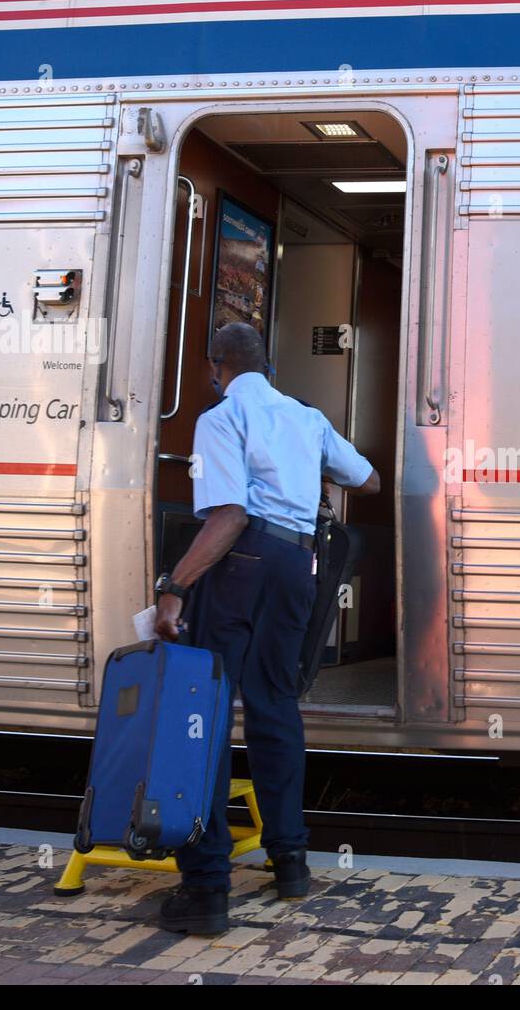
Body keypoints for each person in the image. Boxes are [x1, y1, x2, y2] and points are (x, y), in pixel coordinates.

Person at [151, 321, 379, 935]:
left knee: (208, 715)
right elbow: (369, 479)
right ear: (269, 366)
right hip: (296, 567)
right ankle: (290, 862)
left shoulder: (221, 417)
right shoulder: (305, 417)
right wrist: (309, 475)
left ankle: (205, 889)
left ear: (216, 366)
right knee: (276, 705)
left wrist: (176, 588)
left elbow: (229, 514)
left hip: (242, 565)